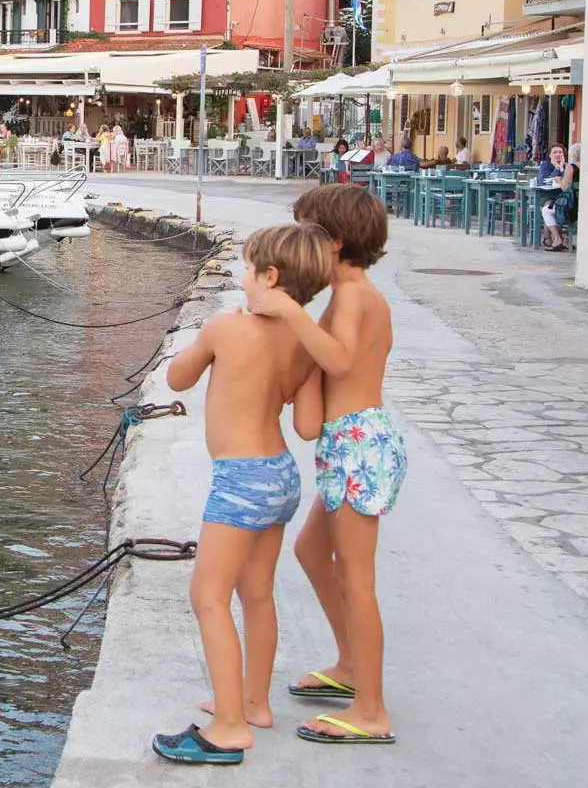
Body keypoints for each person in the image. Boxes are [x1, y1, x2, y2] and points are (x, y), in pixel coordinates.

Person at [151, 224, 333, 766]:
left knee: (208, 596)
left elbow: (178, 380)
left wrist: (200, 346)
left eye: (247, 268)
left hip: (240, 480)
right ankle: (253, 703)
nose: (240, 276)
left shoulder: (226, 328)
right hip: (281, 475)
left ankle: (228, 728)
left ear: (270, 278)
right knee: (257, 594)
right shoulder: (303, 342)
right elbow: (306, 426)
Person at [245, 184, 402, 748]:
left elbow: (338, 359)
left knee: (358, 580)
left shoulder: (357, 296)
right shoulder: (343, 295)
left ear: (334, 243)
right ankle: (352, 664)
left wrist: (288, 310)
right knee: (313, 551)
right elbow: (319, 393)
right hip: (344, 444)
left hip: (360, 445)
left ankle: (372, 709)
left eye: (308, 235)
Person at [540, 142, 579, 251]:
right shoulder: (545, 165)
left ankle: (555, 238)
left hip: (565, 199)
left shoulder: (568, 166)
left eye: (560, 152)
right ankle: (552, 238)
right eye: (555, 152)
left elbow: (564, 185)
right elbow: (544, 181)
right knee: (549, 204)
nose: (558, 154)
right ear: (550, 155)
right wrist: (557, 168)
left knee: (550, 209)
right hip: (550, 195)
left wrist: (561, 169)